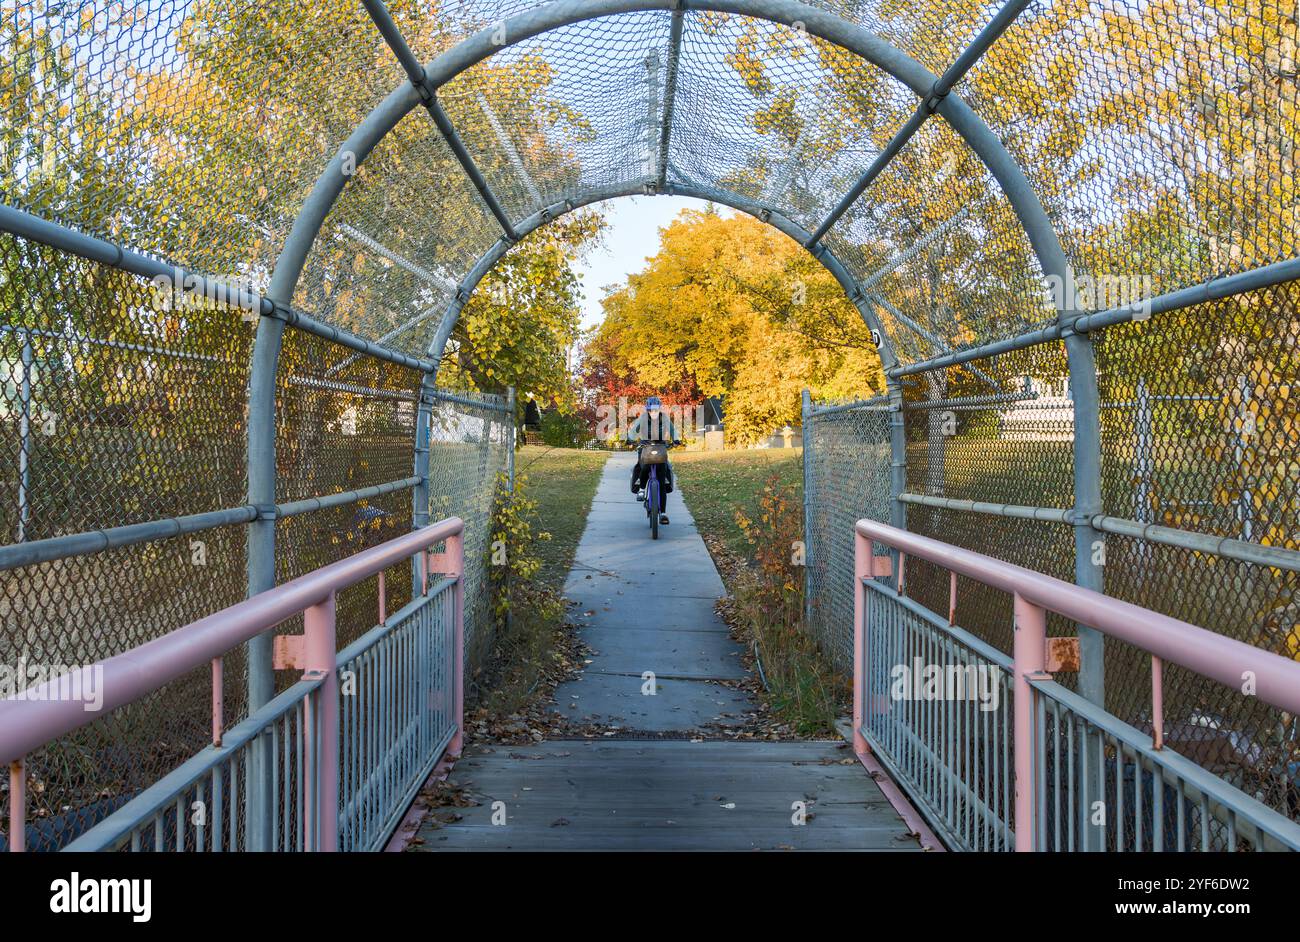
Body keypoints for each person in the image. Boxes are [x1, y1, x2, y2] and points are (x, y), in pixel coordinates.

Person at [626, 396, 680, 524]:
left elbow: (673, 429)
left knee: (662, 478)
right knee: (642, 465)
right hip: (645, 446)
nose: (654, 413)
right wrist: (630, 438)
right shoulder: (643, 418)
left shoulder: (664, 418)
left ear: (659, 410)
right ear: (648, 410)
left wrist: (676, 439)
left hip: (661, 445)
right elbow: (634, 430)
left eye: (656, 410)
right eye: (651, 410)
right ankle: (641, 489)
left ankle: (663, 514)